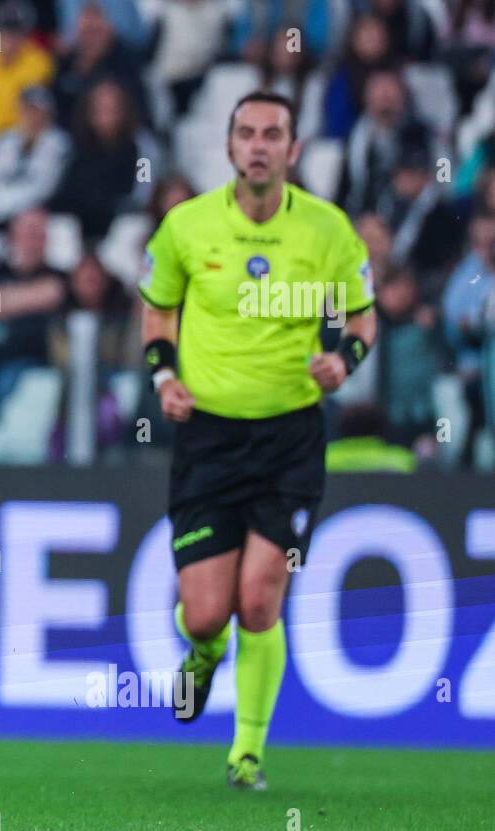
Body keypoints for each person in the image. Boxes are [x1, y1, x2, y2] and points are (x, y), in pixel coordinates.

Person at [140, 91, 377, 790]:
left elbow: (362, 322)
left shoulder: (330, 232)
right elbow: (157, 317)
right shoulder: (186, 227)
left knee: (259, 603)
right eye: (247, 133)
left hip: (290, 439)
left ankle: (247, 753)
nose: (259, 145)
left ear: (294, 150)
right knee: (209, 613)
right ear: (229, 146)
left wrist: (345, 362)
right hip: (209, 441)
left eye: (274, 134)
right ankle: (204, 654)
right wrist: (164, 382)